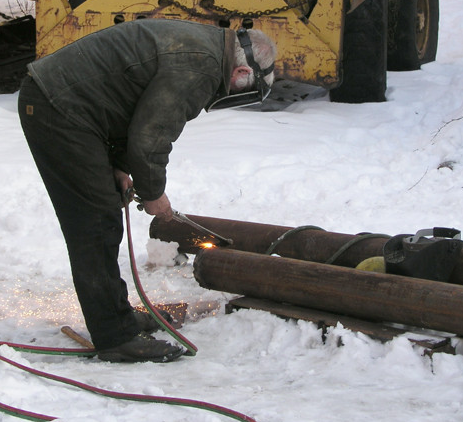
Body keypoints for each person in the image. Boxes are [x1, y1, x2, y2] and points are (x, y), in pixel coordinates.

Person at [18, 19, 276, 363]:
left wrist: (120, 166)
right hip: (59, 107)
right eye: (241, 88)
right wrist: (154, 194)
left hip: (70, 106)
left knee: (103, 218)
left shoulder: (209, 47)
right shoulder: (202, 66)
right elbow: (151, 135)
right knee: (95, 225)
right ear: (242, 70)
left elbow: (129, 101)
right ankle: (115, 337)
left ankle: (118, 317)